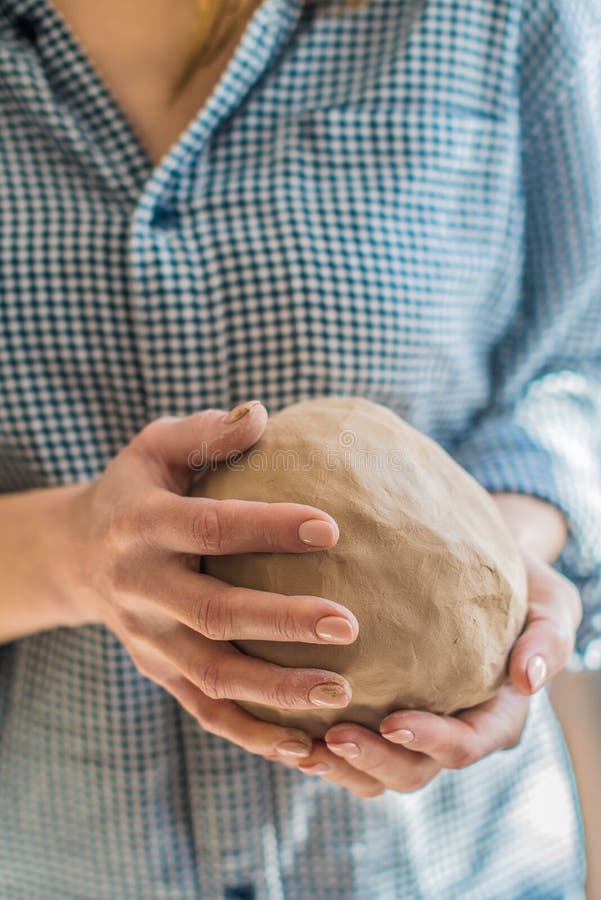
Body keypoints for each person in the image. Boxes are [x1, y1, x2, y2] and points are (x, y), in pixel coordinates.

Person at [0, 0, 600, 896]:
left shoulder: (495, 17)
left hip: (450, 868)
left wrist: (505, 551)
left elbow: (579, 362)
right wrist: (69, 554)